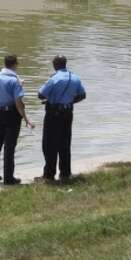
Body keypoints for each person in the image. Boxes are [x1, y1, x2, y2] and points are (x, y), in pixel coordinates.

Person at [36, 55, 87, 183]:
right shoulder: (75, 77)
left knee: (49, 144)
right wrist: (69, 101)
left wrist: (53, 100)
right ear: (65, 64)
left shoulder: (54, 78)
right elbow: (82, 95)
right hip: (68, 113)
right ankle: (65, 173)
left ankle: (49, 174)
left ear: (55, 65)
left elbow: (40, 94)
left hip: (53, 114)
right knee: (65, 143)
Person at [0, 54, 33, 185]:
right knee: (9, 147)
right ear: (15, 64)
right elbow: (18, 102)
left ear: (5, 64)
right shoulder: (15, 81)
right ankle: (9, 178)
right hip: (12, 115)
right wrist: (26, 119)